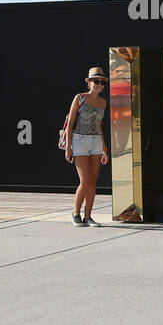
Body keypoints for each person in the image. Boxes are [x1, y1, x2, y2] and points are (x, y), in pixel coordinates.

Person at [64, 67, 109, 227]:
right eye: (95, 81)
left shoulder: (103, 102)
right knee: (85, 181)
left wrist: (104, 148)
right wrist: (68, 146)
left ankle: (88, 216)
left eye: (102, 82)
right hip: (79, 140)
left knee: (93, 182)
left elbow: (99, 125)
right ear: (89, 82)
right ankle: (76, 213)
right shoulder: (80, 98)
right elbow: (70, 123)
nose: (99, 85)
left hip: (96, 141)